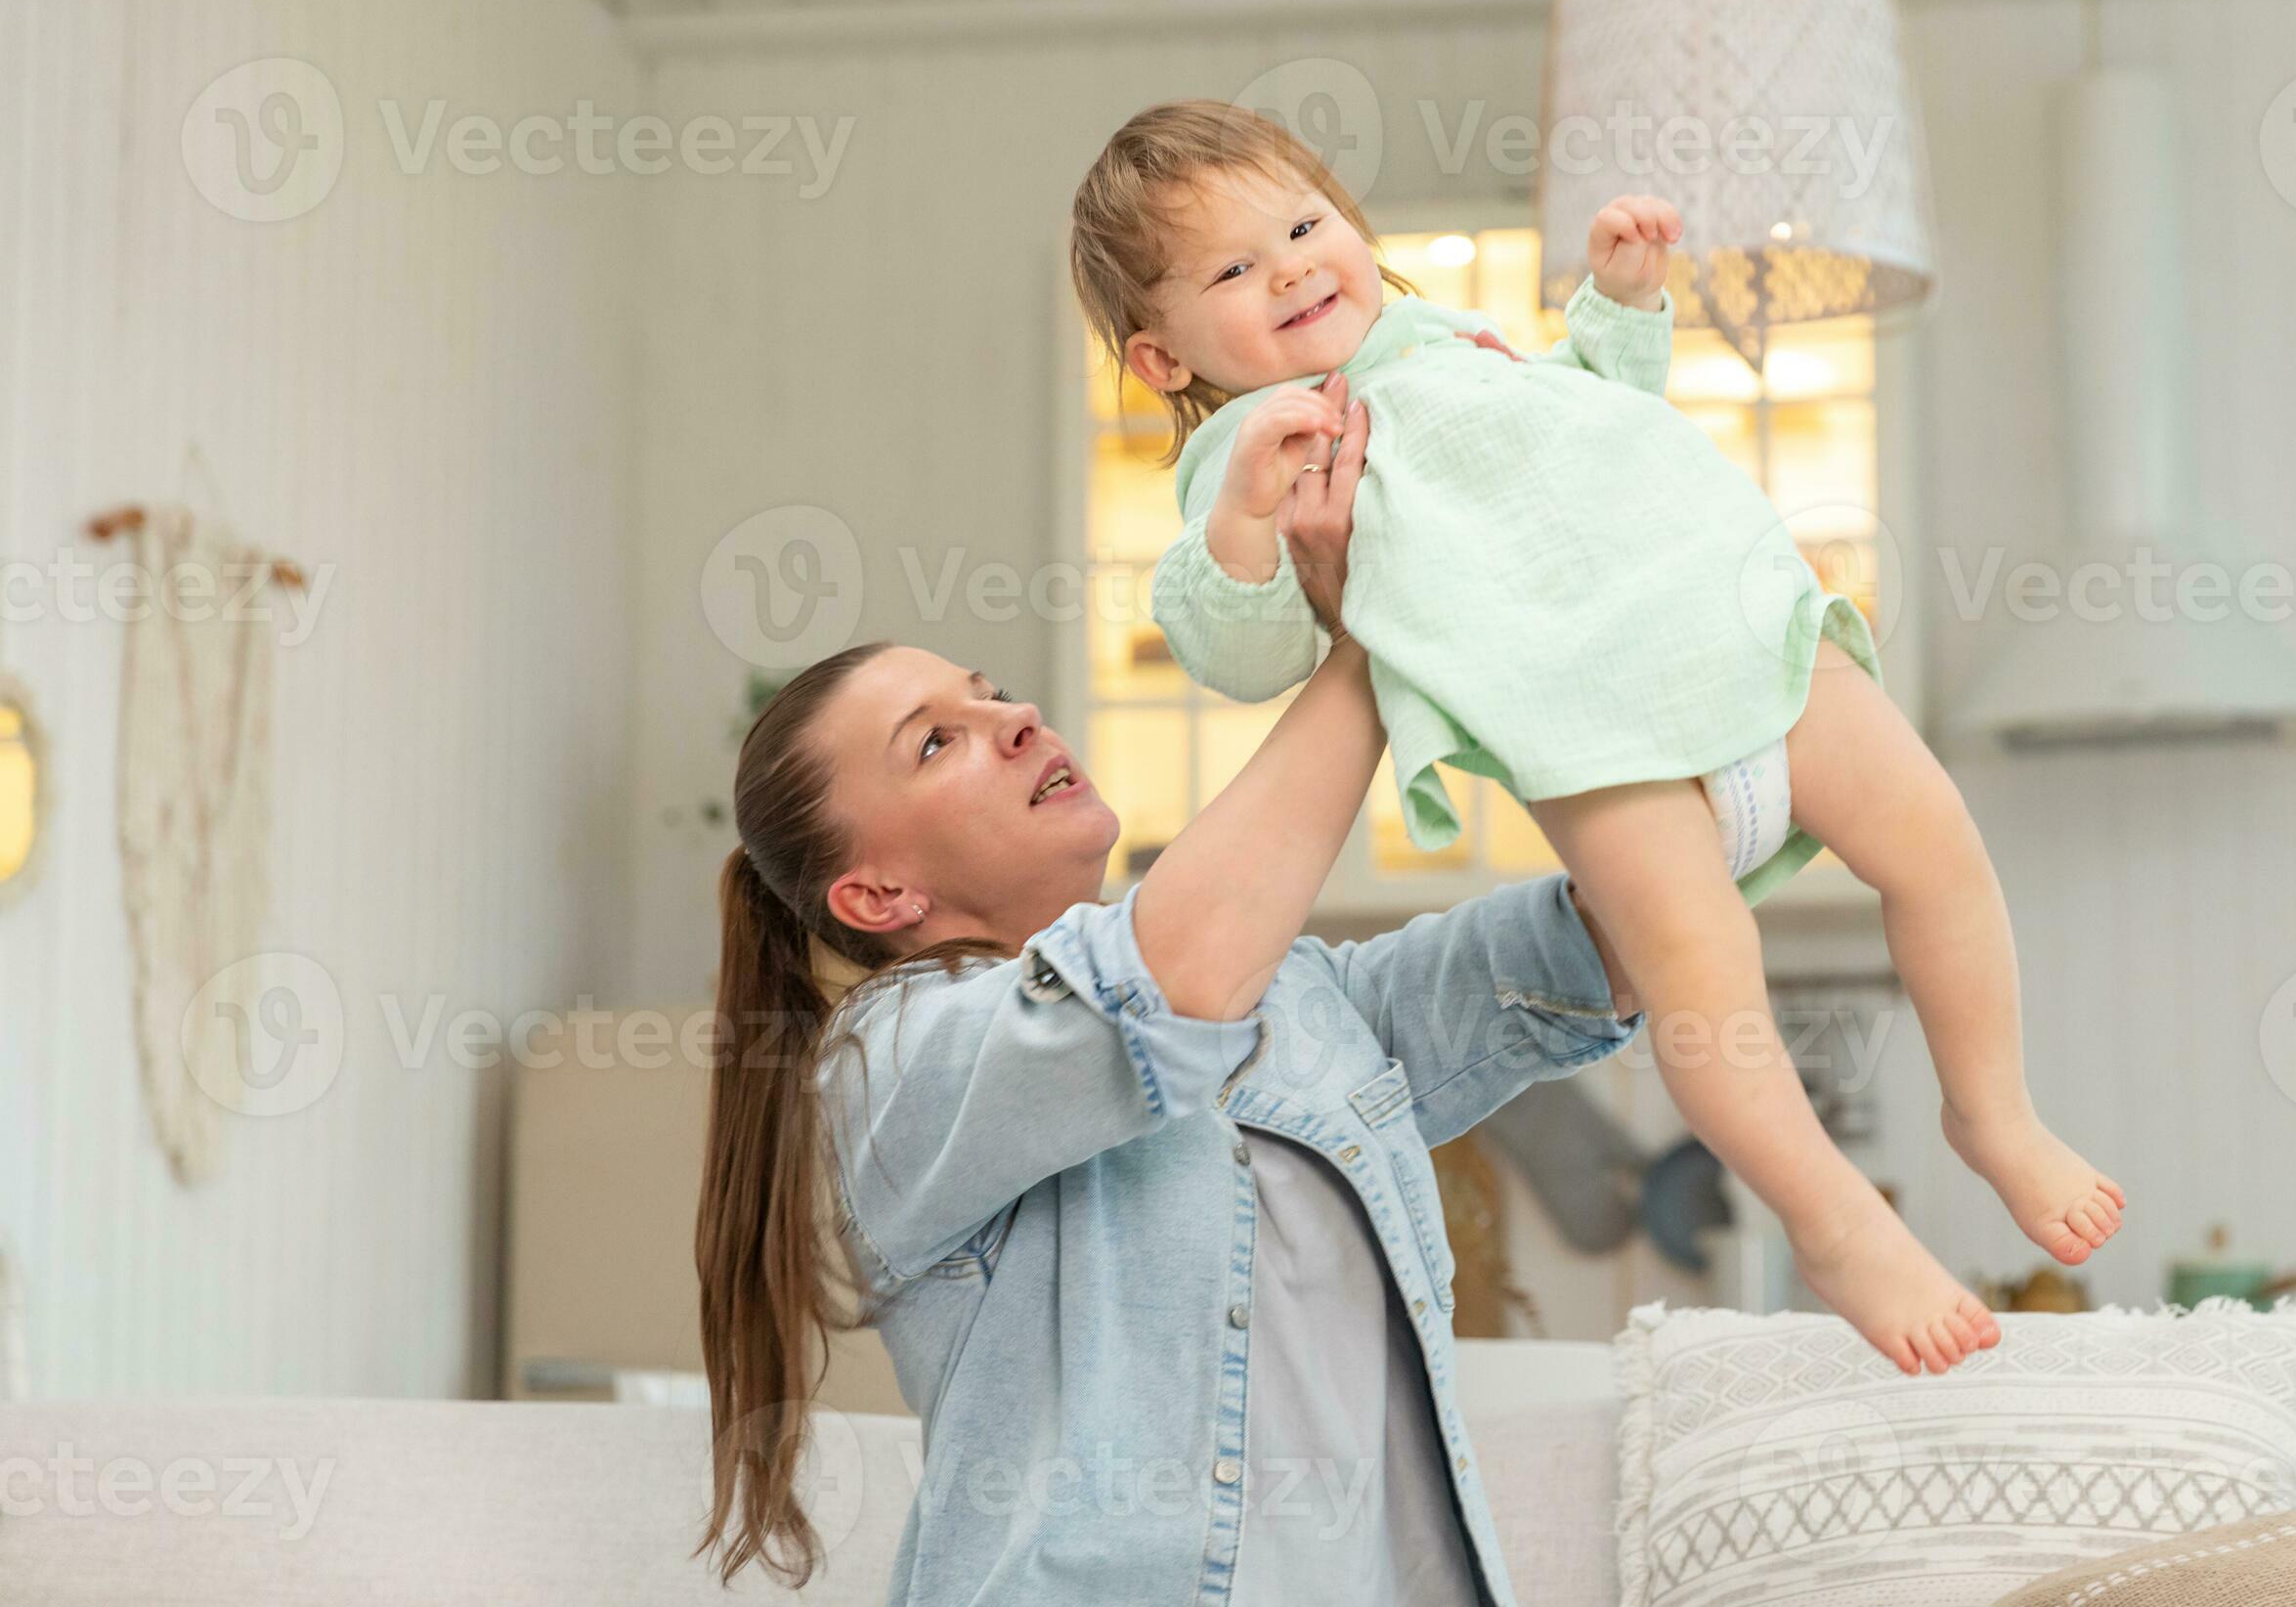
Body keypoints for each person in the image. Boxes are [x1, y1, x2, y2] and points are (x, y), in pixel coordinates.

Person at [1068, 100, 2123, 1376]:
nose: (1290, 264)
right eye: (1232, 269)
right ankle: (1835, 1222)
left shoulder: (1451, 340)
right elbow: (1242, 649)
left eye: (1302, 223)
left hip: (1731, 633)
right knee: (1703, 967)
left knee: (1938, 844)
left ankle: (1992, 1107)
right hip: (1589, 734)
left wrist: (1621, 308)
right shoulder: (1253, 448)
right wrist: (1245, 519)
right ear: (1165, 362)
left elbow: (1600, 426)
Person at [694, 380, 1642, 1603]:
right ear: (875, 899)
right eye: (936, 741)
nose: (1013, 717)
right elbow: (1166, 985)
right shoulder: (892, 1067)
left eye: (986, 692)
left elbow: (1598, 950)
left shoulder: (1300, 999)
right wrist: (1372, 639)